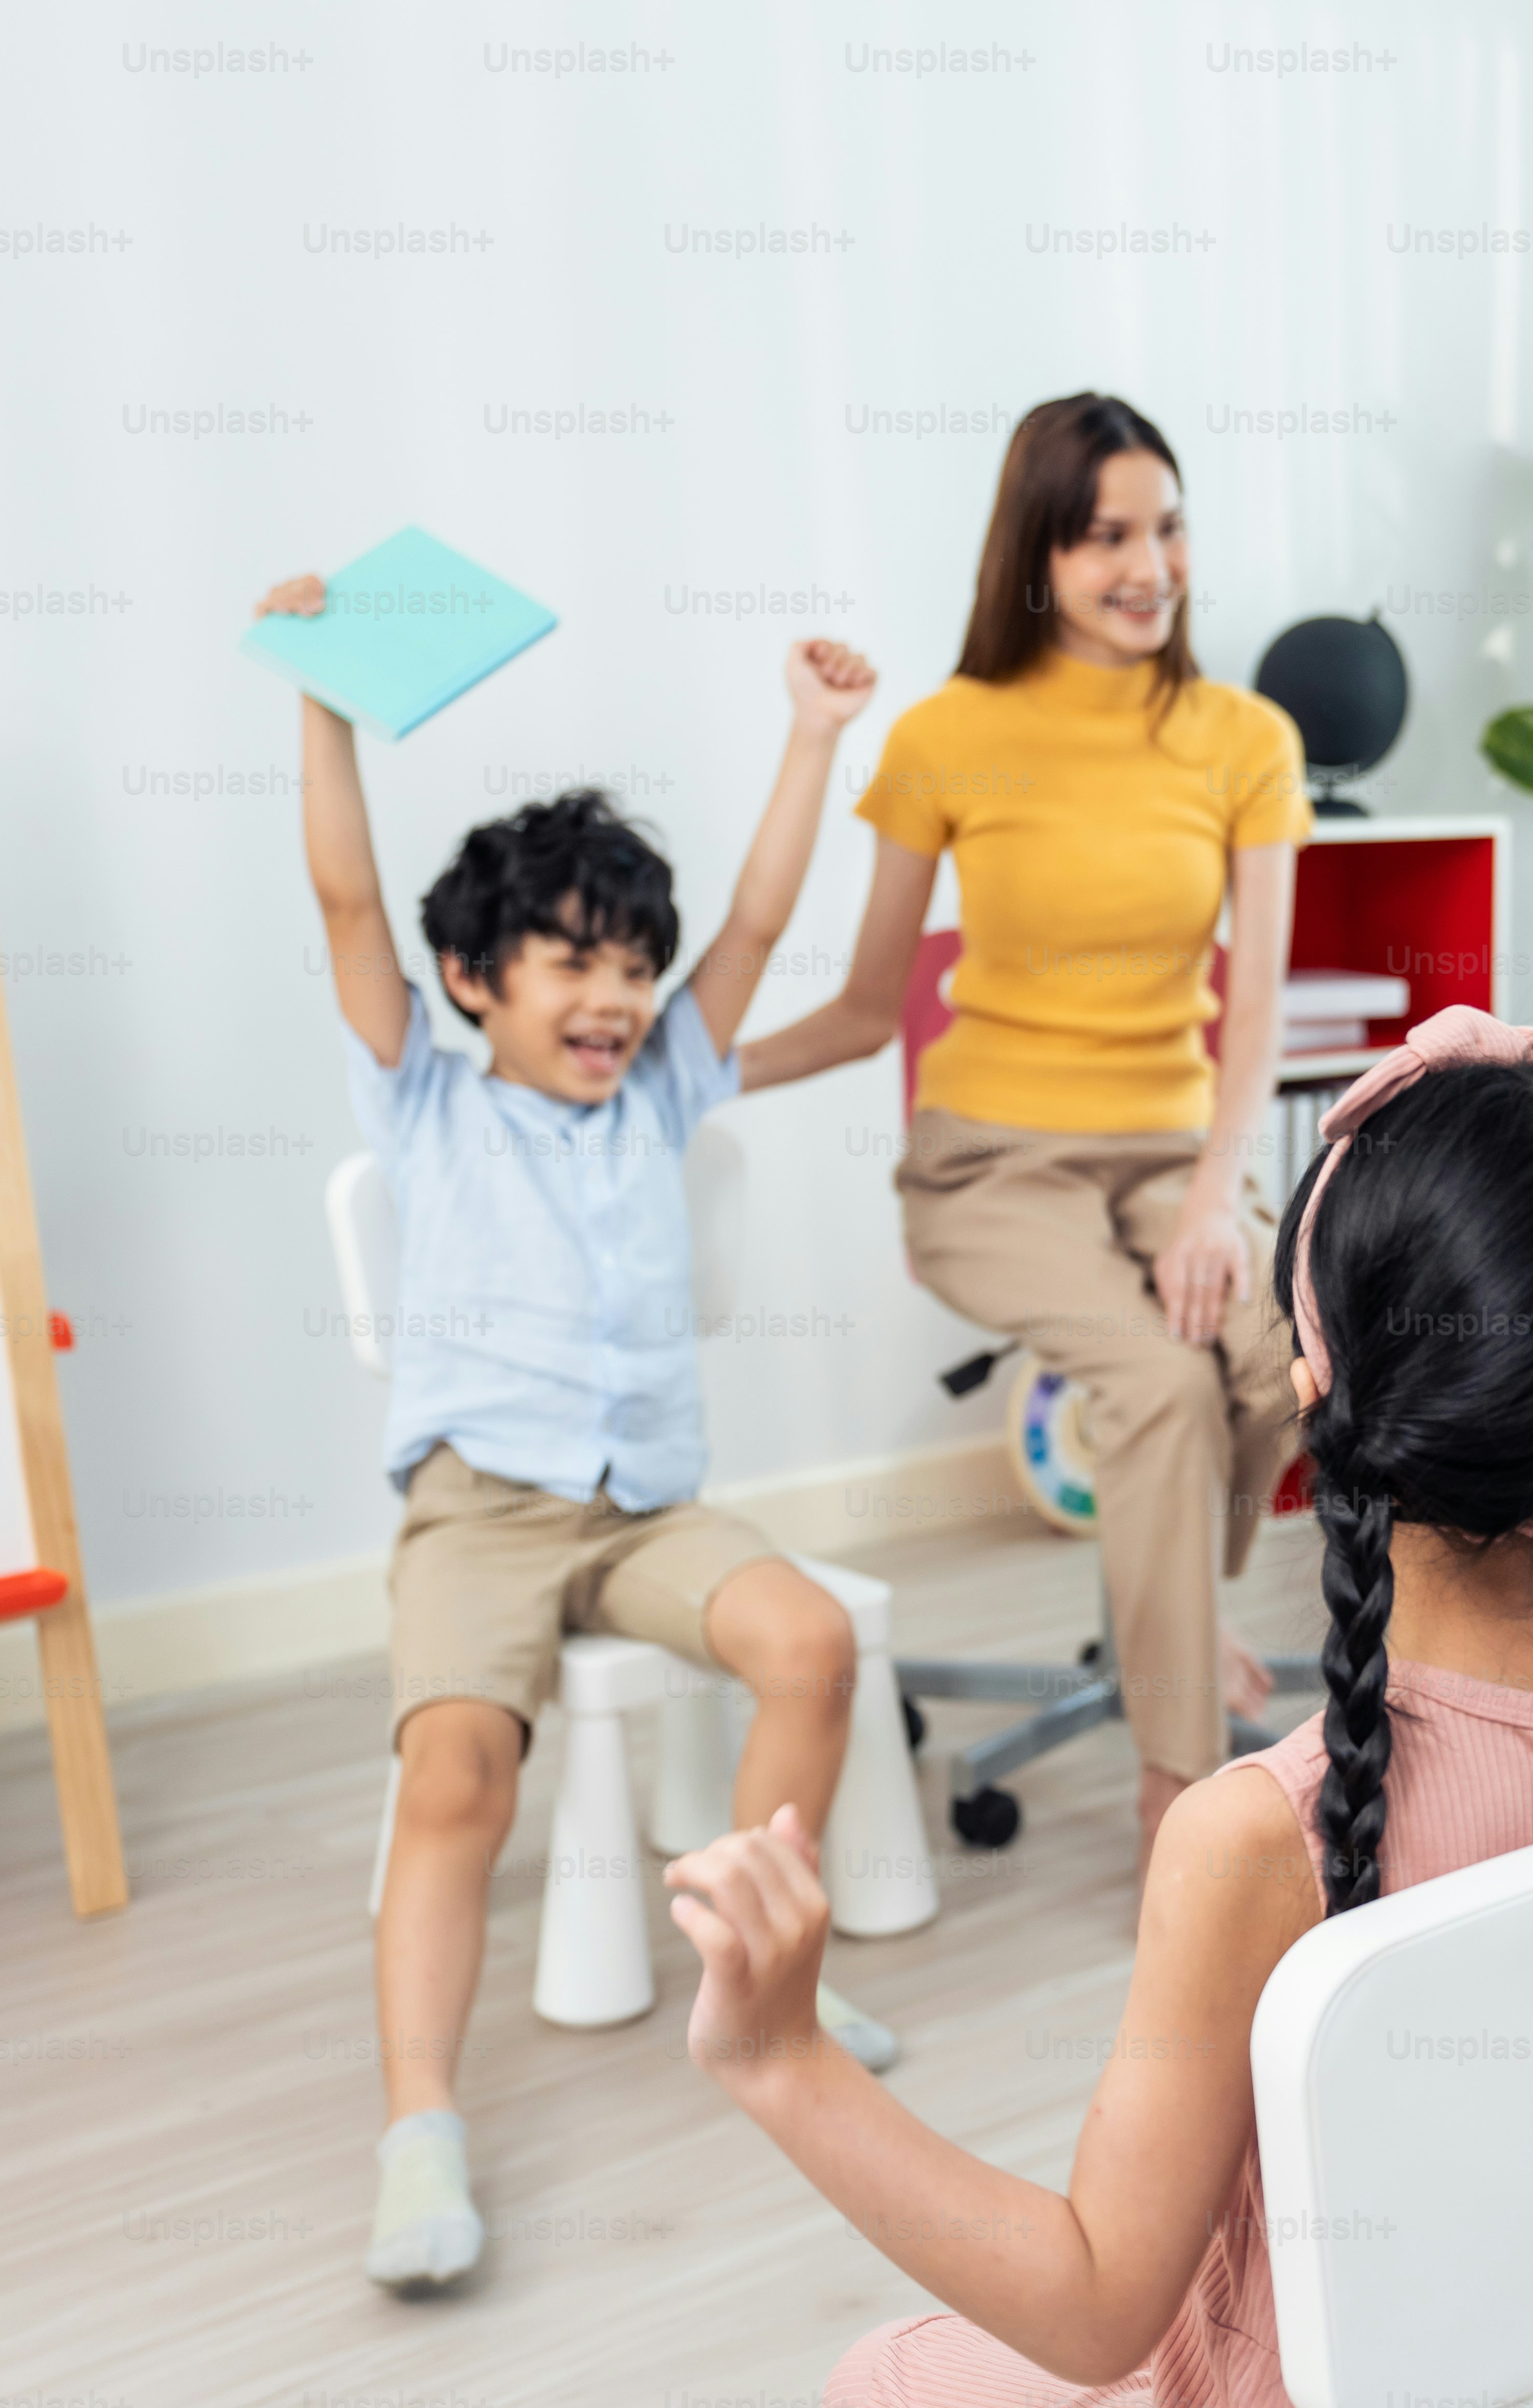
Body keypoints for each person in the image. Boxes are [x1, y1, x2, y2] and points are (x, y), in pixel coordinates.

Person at [666, 1008, 1533, 2407]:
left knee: (881, 2375)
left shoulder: (1262, 1834)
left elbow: (1096, 2311)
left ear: (1315, 1389)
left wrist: (782, 2056)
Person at [257, 575, 900, 2295]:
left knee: (812, 1643)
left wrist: (812, 738)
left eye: (633, 968)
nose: (615, 999)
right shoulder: (423, 1092)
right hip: (480, 1512)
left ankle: (760, 1986)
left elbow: (757, 922)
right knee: (458, 1775)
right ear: (476, 979)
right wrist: (323, 697)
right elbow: (343, 898)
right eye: (573, 966)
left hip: (647, 1512)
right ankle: (418, 2127)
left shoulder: (668, 1083)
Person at [739, 394, 1308, 1860]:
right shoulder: (949, 736)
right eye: (1108, 536)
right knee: (1161, 1384)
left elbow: (1256, 1007)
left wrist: (1214, 1199)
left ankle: (1167, 1620)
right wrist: (690, 1070)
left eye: (1168, 528)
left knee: (1280, 1356)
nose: (1149, 566)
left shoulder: (1243, 738)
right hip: (991, 1162)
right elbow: (866, 1007)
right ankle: (1180, 1785)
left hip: (1173, 1155)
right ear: (1038, 553)